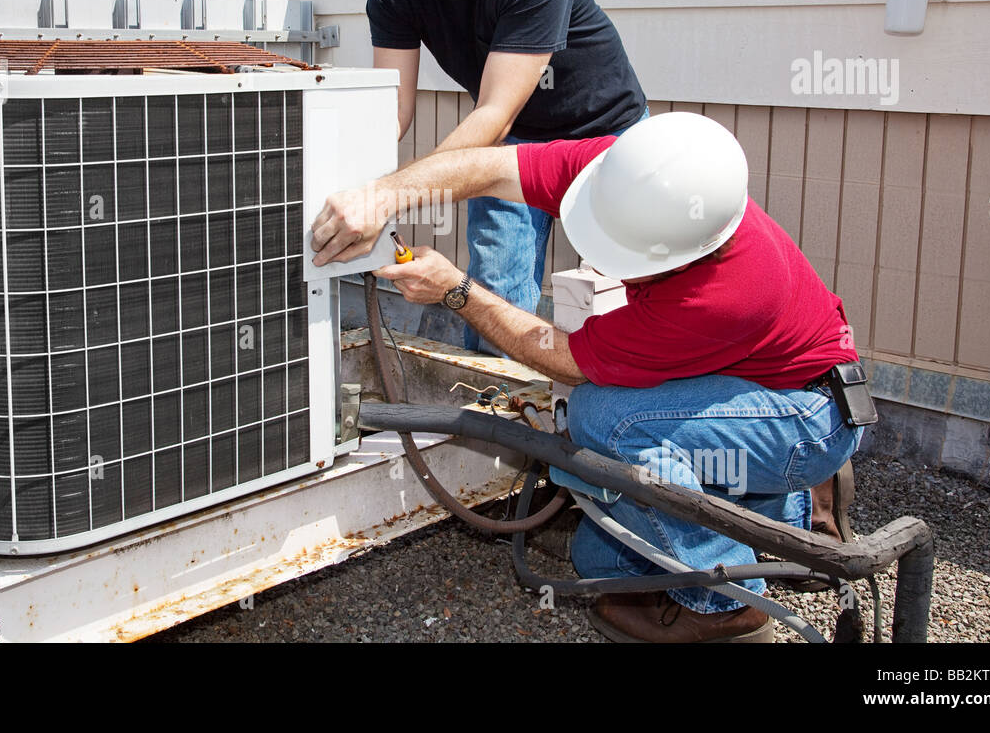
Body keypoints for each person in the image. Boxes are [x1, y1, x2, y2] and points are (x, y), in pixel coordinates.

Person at [310, 112, 865, 643]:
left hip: (806, 415)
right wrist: (384, 194)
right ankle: (788, 515)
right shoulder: (627, 173)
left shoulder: (720, 296)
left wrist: (457, 290)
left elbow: (564, 358)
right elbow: (490, 166)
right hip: (760, 385)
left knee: (606, 420)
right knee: (596, 560)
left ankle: (728, 606)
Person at [368, 0, 648, 355]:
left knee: (635, 284)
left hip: (607, 138)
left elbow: (493, 110)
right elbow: (393, 110)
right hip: (515, 142)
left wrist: (388, 197)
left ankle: (625, 409)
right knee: (494, 288)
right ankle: (502, 420)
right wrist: (354, 184)